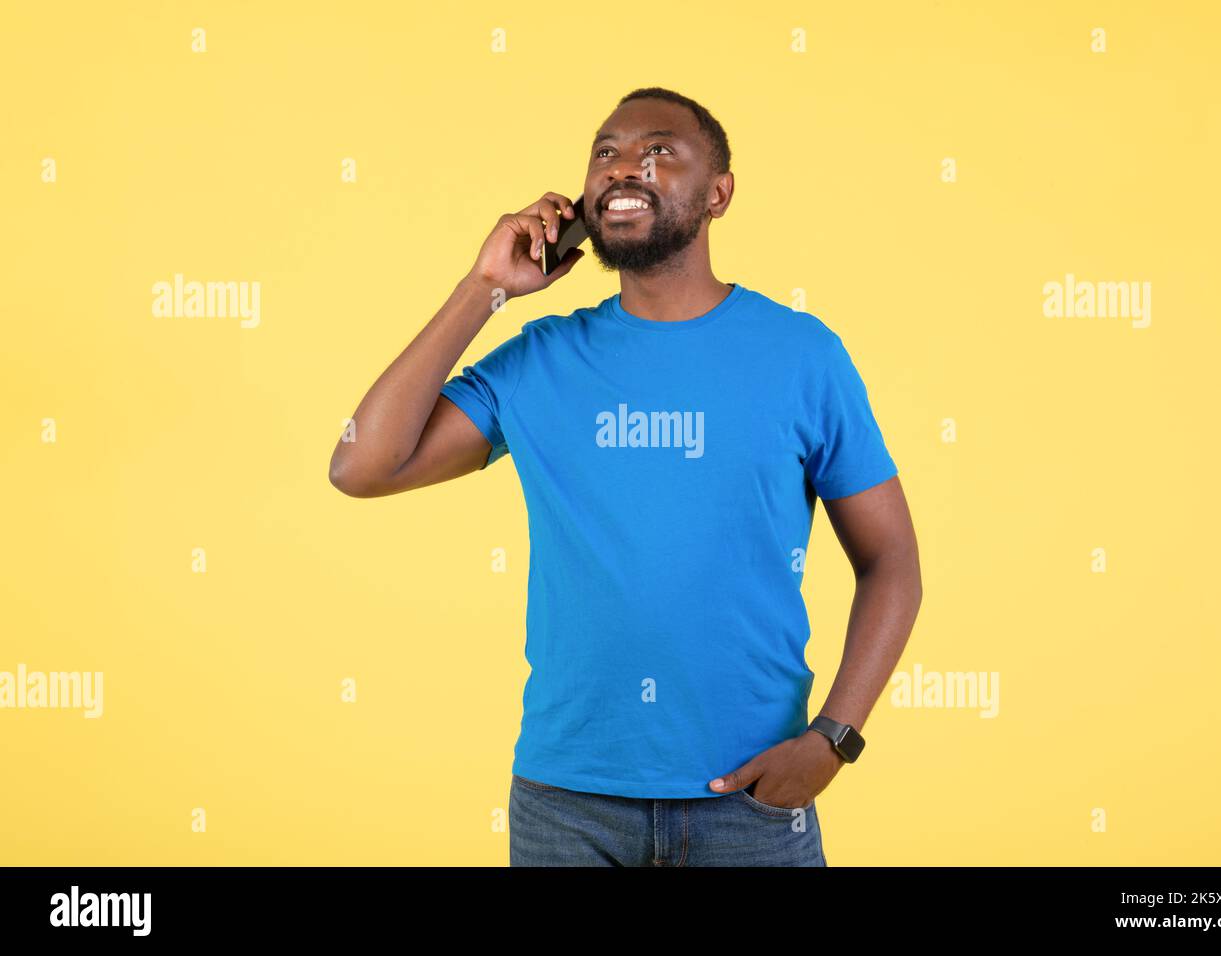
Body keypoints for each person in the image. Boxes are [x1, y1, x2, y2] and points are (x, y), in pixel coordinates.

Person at [328, 87, 923, 866]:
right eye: (605, 153)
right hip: (567, 809)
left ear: (719, 195)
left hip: (751, 802)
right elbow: (361, 465)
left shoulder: (803, 355)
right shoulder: (539, 361)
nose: (622, 168)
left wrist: (834, 738)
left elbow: (892, 564)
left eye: (659, 149)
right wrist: (487, 289)